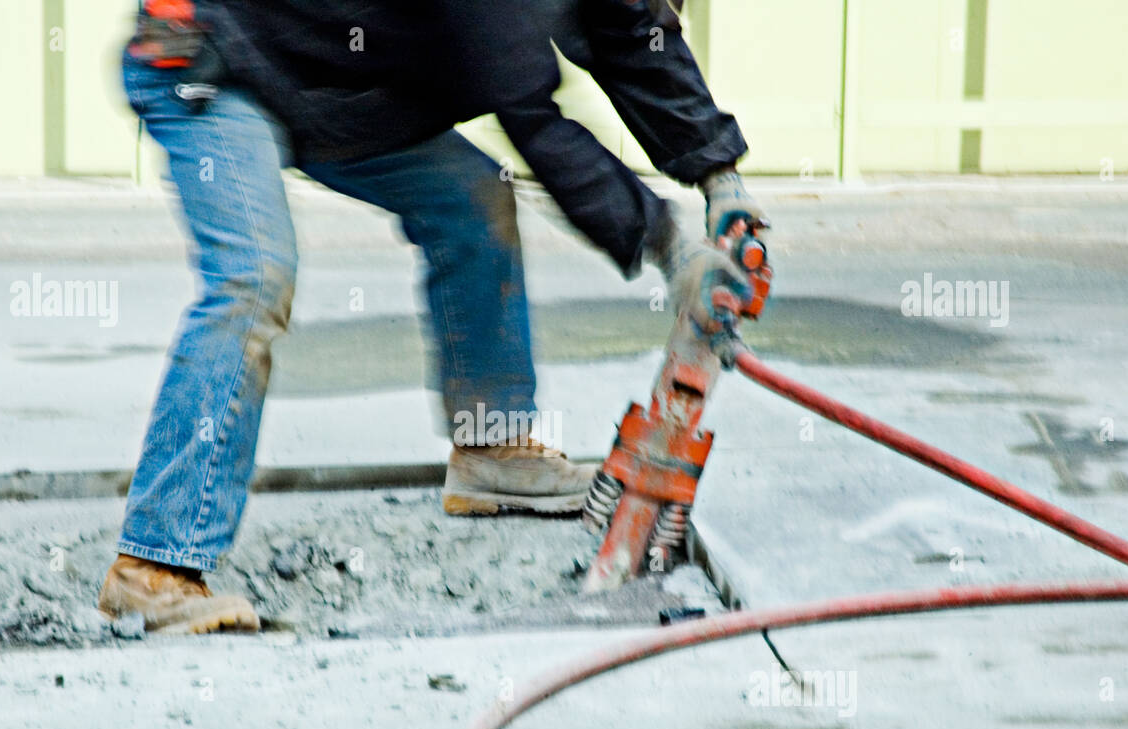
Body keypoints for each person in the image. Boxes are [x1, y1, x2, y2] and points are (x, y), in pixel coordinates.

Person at [98, 0, 762, 633]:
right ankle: (153, 567)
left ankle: (492, 448)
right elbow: (529, 110)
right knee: (253, 273)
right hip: (212, 58)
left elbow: (633, 36)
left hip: (334, 91)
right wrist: (670, 245)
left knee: (473, 198)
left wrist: (720, 179)